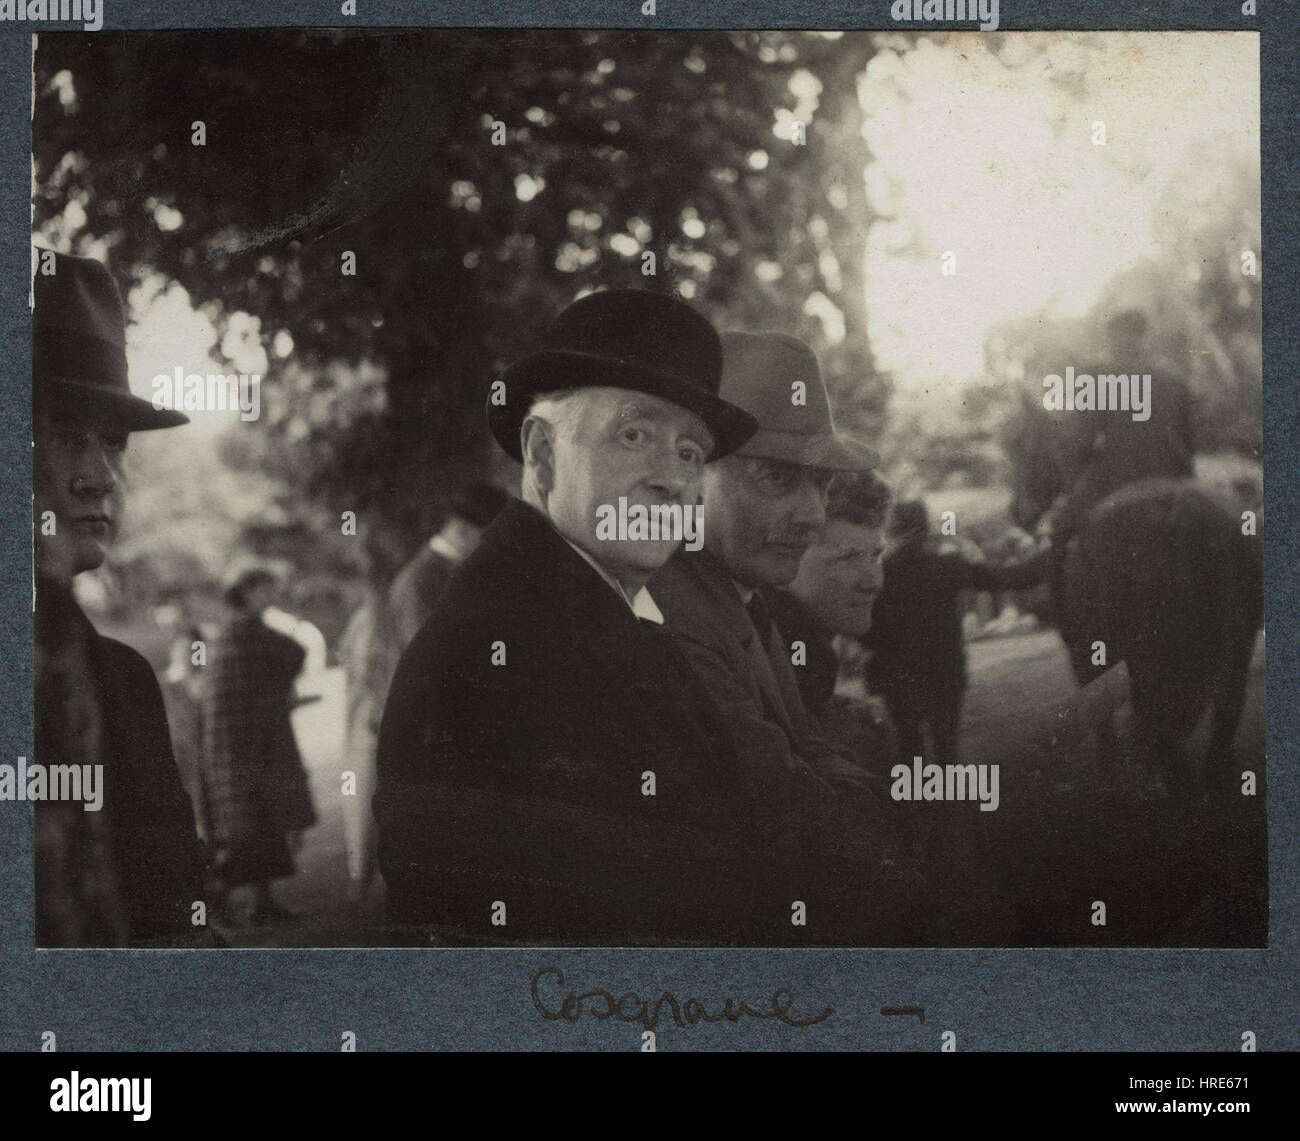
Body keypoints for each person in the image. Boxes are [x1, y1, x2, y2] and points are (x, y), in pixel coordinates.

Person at [375, 288, 769, 944]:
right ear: (542, 455)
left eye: (690, 452)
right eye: (635, 433)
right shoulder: (496, 654)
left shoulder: (593, 610)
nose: (670, 479)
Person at [32, 250, 206, 947]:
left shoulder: (124, 683)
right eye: (67, 436)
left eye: (114, 441)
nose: (98, 476)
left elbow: (172, 928)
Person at [866, 499, 1050, 770]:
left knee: (908, 745)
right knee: (945, 745)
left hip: (897, 670)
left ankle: (914, 805)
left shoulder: (881, 569)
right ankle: (946, 804)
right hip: (945, 667)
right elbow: (1008, 578)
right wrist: (1050, 555)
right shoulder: (948, 563)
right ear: (925, 525)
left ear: (894, 526)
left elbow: (867, 628)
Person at [202, 564, 317, 925]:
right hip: (244, 748)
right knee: (246, 831)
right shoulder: (244, 631)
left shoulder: (232, 632)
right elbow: (293, 652)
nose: (272, 595)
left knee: (259, 828)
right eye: (266, 589)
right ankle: (216, 900)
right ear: (247, 590)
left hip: (241, 746)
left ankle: (262, 906)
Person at [763, 468, 895, 778]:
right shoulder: (780, 654)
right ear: (780, 562)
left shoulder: (797, 647)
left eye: (876, 556)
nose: (873, 581)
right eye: (846, 559)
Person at [388, 482, 512, 647]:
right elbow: (428, 658)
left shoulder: (460, 572)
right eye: (493, 537)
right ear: (463, 531)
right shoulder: (419, 581)